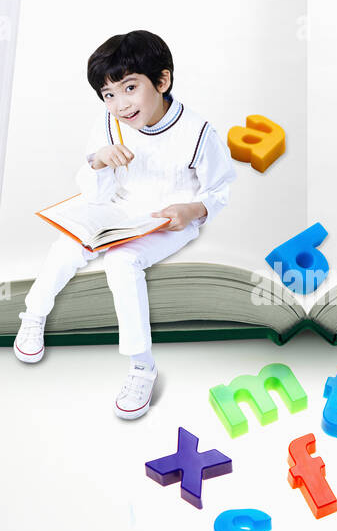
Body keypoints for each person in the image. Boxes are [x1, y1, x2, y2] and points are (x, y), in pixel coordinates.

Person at [14, 29, 235, 419]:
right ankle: (33, 316)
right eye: (109, 94)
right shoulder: (109, 123)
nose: (120, 104)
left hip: (163, 219)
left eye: (130, 88)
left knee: (121, 262)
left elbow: (220, 188)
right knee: (67, 244)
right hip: (116, 208)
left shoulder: (199, 133)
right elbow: (95, 193)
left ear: (162, 81)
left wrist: (193, 210)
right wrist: (98, 160)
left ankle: (141, 365)